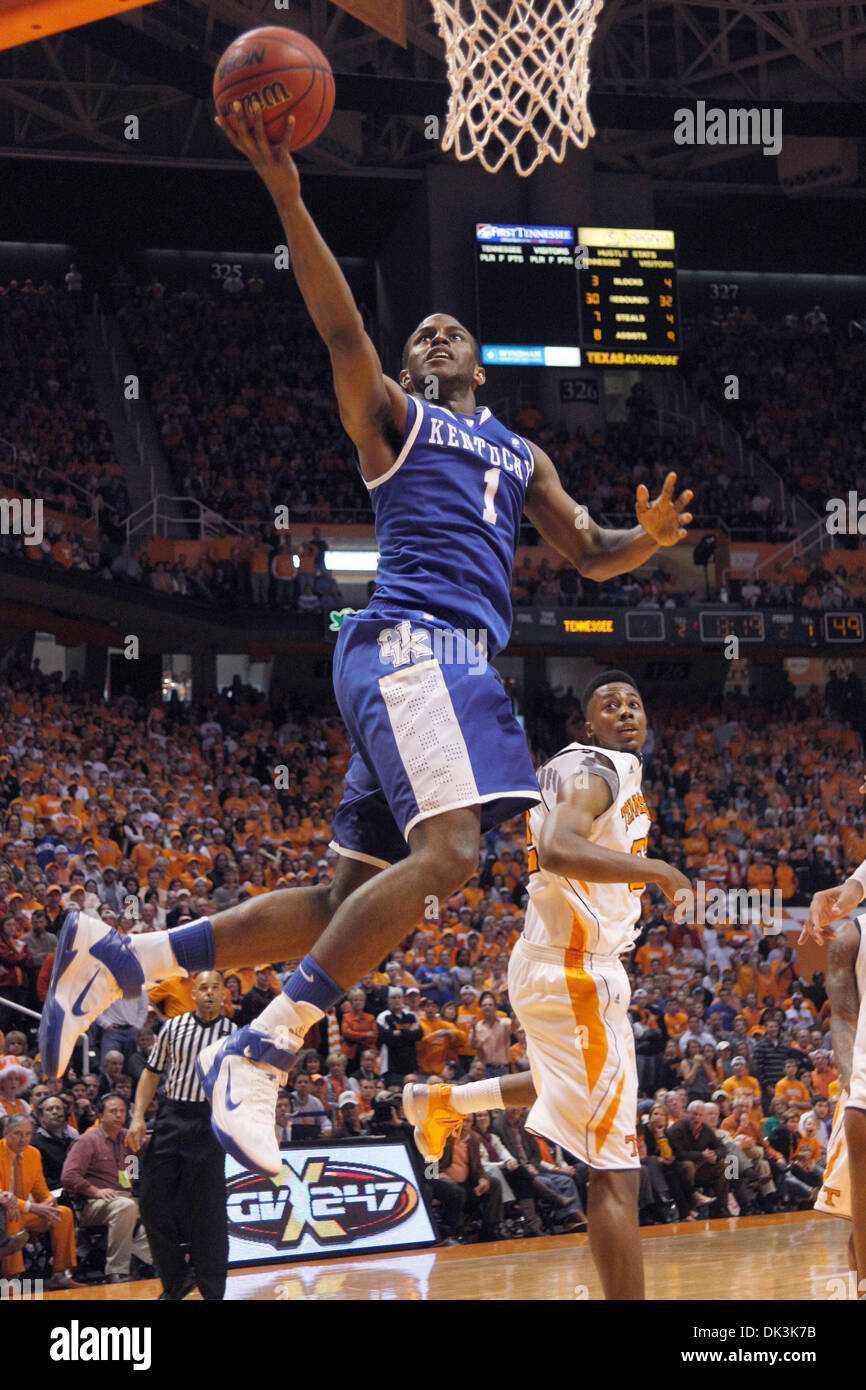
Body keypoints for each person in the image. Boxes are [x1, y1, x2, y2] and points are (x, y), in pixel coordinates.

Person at [38, 108, 692, 1183]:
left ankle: (122, 957)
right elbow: (342, 331)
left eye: (449, 332)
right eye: (418, 334)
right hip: (419, 650)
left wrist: (647, 541)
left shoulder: (518, 450)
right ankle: (263, 1052)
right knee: (453, 857)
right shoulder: (396, 417)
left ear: (478, 360)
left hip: (422, 674)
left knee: (346, 901)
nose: (433, 336)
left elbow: (584, 549)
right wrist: (291, 197)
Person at [404, 673, 690, 1298]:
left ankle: (444, 1103)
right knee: (616, 1173)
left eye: (634, 702)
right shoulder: (596, 768)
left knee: (571, 1086)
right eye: (609, 705)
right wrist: (660, 870)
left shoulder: (602, 771)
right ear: (588, 725)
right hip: (574, 968)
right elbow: (558, 850)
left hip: (562, 963)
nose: (625, 711)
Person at [128, 971, 235, 1301]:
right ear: (193, 994)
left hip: (210, 1122)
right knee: (151, 1202)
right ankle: (177, 1281)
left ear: (224, 995)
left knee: (209, 1212)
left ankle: (212, 1290)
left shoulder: (235, 1034)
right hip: (171, 1116)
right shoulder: (174, 1027)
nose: (210, 993)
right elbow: (151, 1072)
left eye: (216, 987)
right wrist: (137, 1117)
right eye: (203, 987)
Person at [61, 1093, 152, 1284]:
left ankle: (161, 1263)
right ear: (100, 1115)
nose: (118, 1115)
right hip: (93, 1202)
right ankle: (117, 1271)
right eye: (113, 1111)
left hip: (125, 1195)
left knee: (155, 1208)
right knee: (125, 1206)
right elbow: (68, 1177)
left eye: (122, 1111)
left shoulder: (129, 1138)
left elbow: (132, 1173)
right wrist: (95, 1191)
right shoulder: (86, 1141)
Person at [0, 1112, 79, 1289]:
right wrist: (35, 1207)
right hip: (5, 1214)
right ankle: (11, 1279)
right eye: (18, 1133)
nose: (23, 1139)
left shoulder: (33, 1154)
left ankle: (60, 1274)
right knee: (11, 1214)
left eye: (28, 1134)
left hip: (26, 1210)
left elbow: (40, 1189)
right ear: (6, 1132)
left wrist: (49, 1202)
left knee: (63, 1213)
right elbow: (2, 1196)